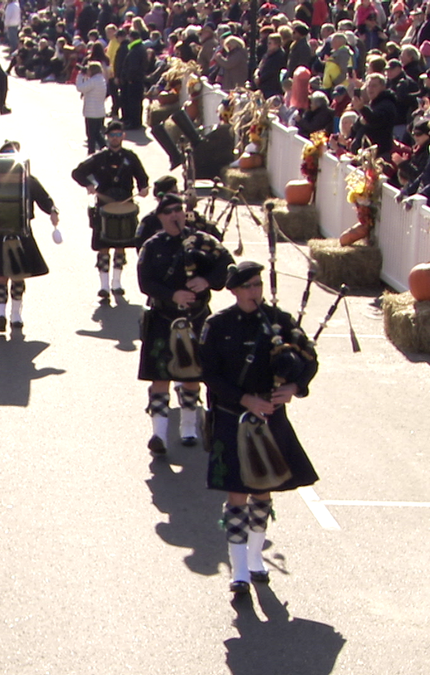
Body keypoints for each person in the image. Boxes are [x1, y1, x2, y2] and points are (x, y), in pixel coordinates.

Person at [199, 260, 319, 594]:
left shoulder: (279, 321)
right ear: (234, 290)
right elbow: (209, 373)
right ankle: (238, 570)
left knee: (262, 491)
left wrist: (294, 387)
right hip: (230, 416)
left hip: (270, 417)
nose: (255, 292)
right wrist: (244, 399)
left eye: (258, 285)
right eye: (248, 286)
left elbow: (310, 358)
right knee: (237, 494)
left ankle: (255, 559)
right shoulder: (217, 324)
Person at [136, 192, 233, 454]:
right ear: (160, 217)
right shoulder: (152, 246)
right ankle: (159, 436)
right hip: (163, 317)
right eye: (168, 212)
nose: (175, 215)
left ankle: (188, 428)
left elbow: (227, 264)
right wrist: (172, 294)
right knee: (160, 376)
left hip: (196, 317)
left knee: (193, 374)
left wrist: (208, 281)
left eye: (178, 210)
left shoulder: (201, 240)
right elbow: (145, 283)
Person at [0, 141, 59, 331]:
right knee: (1, 275)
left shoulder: (27, 180)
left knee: (18, 275)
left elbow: (44, 198)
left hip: (22, 231)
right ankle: (0, 315)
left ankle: (15, 314)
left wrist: (52, 210)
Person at [71, 120, 150, 302]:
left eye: (118, 135)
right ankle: (104, 285)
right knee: (103, 246)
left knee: (121, 247)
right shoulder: (99, 158)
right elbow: (77, 173)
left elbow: (142, 178)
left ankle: (117, 282)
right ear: (107, 137)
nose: (115, 138)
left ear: (123, 136)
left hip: (125, 205)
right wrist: (88, 184)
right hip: (104, 206)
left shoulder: (131, 157)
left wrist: (144, 187)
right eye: (111, 135)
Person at [76, 61, 109, 153]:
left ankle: (91, 153)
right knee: (97, 134)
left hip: (91, 113)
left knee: (91, 135)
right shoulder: (101, 79)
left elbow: (80, 88)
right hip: (100, 112)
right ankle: (105, 149)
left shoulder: (93, 81)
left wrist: (80, 75)